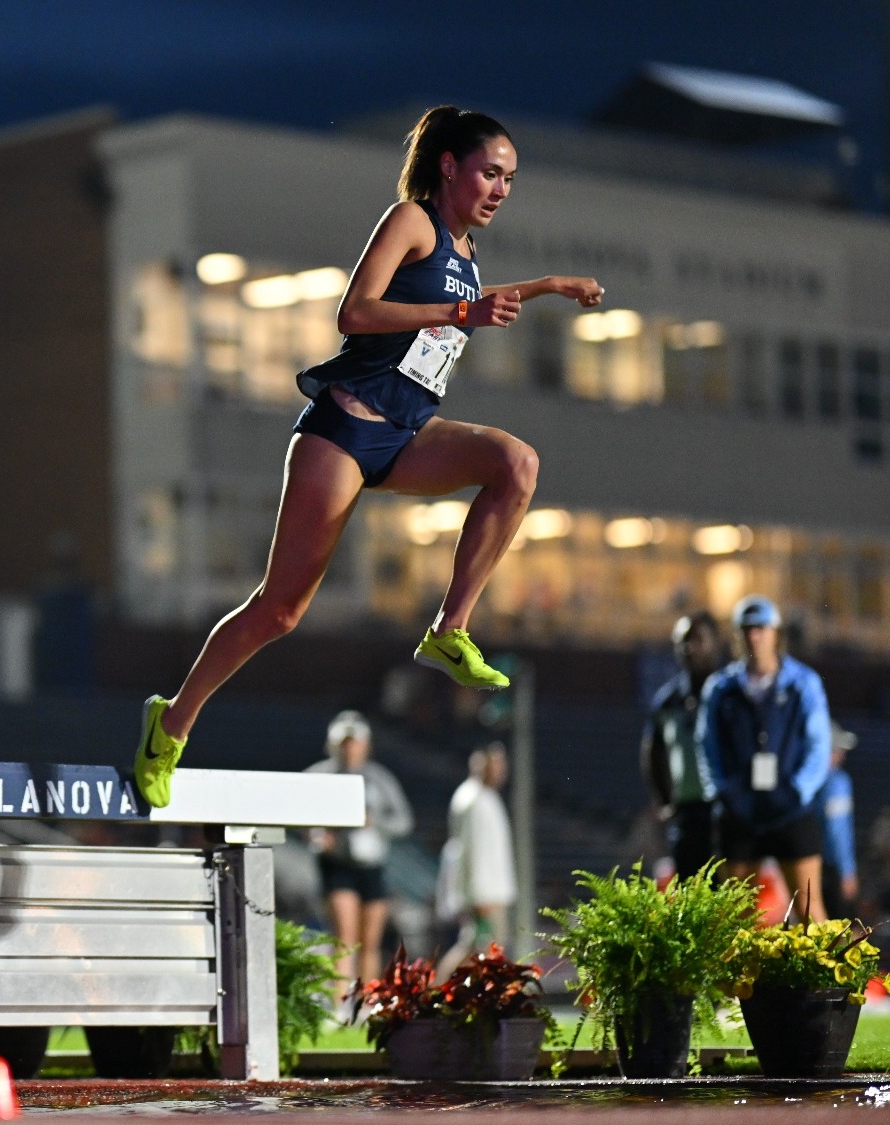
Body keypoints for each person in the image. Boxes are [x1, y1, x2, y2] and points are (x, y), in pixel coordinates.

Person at [131, 106, 604, 807]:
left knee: (517, 464)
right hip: (344, 430)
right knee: (280, 611)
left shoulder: (468, 258)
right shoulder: (411, 221)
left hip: (409, 435)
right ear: (449, 166)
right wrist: (458, 315)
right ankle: (169, 724)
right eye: (489, 173)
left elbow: (468, 303)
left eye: (510, 178)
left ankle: (450, 631)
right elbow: (355, 312)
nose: (501, 189)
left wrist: (548, 286)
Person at [699, 595, 833, 921]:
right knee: (736, 914)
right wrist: (724, 792)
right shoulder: (721, 688)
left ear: (775, 633)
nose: (753, 637)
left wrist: (797, 790)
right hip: (740, 812)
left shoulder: (804, 683)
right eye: (746, 629)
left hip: (790, 808)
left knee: (809, 908)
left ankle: (827, 972)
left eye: (760, 629)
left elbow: (819, 744)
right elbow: (707, 746)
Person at [305, 711, 413, 985]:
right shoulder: (319, 776)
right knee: (344, 936)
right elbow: (296, 814)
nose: (350, 749)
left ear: (366, 745)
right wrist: (318, 835)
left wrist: (375, 824)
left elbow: (403, 821)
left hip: (372, 864)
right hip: (337, 863)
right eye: (344, 743)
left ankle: (365, 1001)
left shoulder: (379, 779)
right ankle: (341, 1004)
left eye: (355, 743)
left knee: (370, 941)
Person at [641, 611, 725, 878]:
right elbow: (652, 753)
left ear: (715, 642)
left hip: (728, 813)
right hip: (687, 812)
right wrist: (665, 801)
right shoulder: (668, 701)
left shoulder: (731, 694)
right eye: (682, 641)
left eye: (698, 640)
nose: (689, 648)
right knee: (691, 895)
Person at [437, 743, 516, 966]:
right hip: (483, 894)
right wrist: (480, 895)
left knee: (483, 947)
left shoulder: (486, 796)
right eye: (494, 764)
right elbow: (473, 850)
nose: (500, 770)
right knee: (474, 947)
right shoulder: (473, 799)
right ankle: (437, 991)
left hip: (492, 891)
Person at [820, 725, 860, 919]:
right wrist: (847, 871)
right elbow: (838, 831)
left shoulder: (803, 781)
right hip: (830, 869)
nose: (841, 755)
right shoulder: (837, 782)